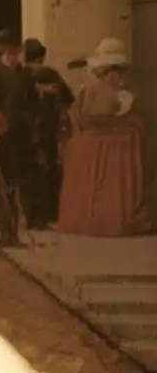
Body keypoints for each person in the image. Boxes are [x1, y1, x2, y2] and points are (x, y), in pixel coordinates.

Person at [58, 38, 151, 237]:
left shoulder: (87, 87)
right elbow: (105, 118)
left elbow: (83, 116)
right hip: (106, 141)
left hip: (86, 142)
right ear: (113, 71)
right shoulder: (107, 90)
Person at [0, 29, 35, 244]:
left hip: (21, 133)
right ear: (1, 53)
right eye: (8, 53)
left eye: (15, 52)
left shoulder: (23, 74)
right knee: (3, 181)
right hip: (2, 134)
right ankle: (6, 230)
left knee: (17, 181)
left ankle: (14, 229)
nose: (12, 57)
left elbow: (29, 102)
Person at [22, 38, 74, 228]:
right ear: (42, 56)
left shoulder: (20, 75)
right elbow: (68, 99)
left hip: (26, 131)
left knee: (29, 174)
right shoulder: (49, 74)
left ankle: (31, 215)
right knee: (48, 171)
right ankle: (47, 213)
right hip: (47, 130)